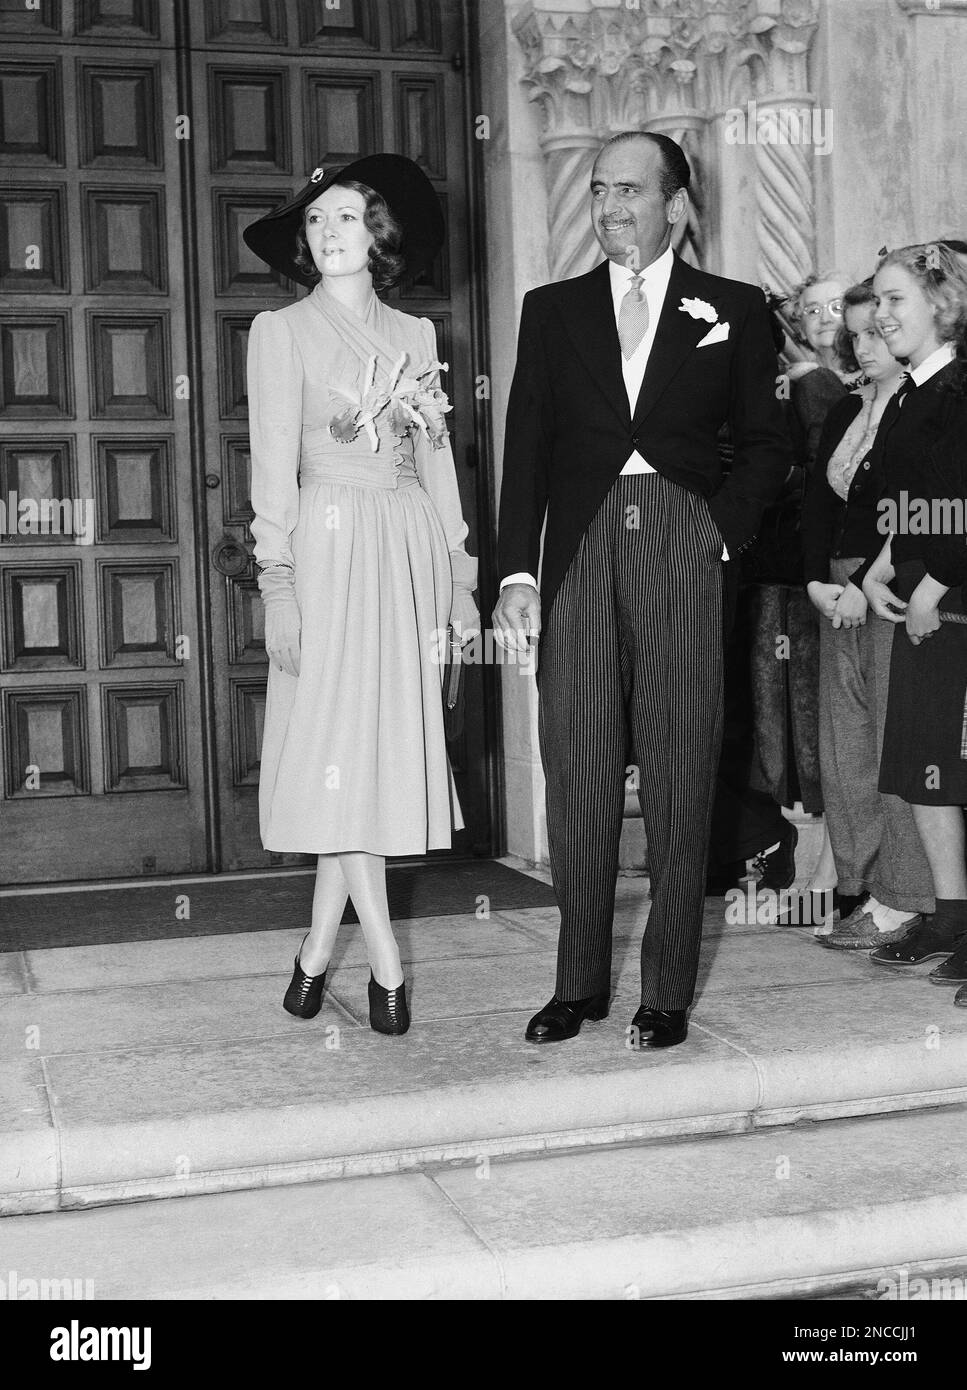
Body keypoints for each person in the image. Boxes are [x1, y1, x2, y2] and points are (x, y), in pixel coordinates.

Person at [493, 131, 790, 1049]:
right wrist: (514, 571)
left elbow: (771, 447)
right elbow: (526, 450)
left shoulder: (734, 308)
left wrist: (716, 531)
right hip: (580, 546)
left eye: (629, 189)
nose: (611, 207)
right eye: (597, 191)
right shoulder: (551, 310)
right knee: (576, 766)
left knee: (678, 762)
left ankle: (664, 989)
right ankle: (576, 982)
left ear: (676, 203)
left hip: (680, 543)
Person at [243, 155, 479, 1036]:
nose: (328, 232)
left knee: (372, 759)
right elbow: (274, 472)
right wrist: (279, 587)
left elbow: (437, 464)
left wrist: (459, 580)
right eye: (314, 221)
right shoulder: (279, 331)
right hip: (328, 554)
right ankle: (382, 958)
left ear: (376, 233)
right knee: (330, 752)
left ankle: (313, 954)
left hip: (407, 548)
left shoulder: (418, 338)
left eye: (346, 216)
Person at [802, 281, 934, 948]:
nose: (865, 343)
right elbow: (815, 507)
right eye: (854, 334)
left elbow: (915, 504)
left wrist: (861, 580)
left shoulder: (924, 406)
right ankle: (858, 886)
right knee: (842, 747)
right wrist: (812, 582)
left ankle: (906, 898)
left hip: (888, 586)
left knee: (893, 746)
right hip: (835, 591)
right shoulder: (841, 412)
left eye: (876, 329)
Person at [853, 243, 967, 990]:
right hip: (924, 600)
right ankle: (952, 915)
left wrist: (938, 586)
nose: (880, 316)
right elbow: (914, 498)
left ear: (942, 304)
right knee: (926, 773)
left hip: (955, 606)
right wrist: (880, 563)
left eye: (895, 301)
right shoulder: (907, 393)